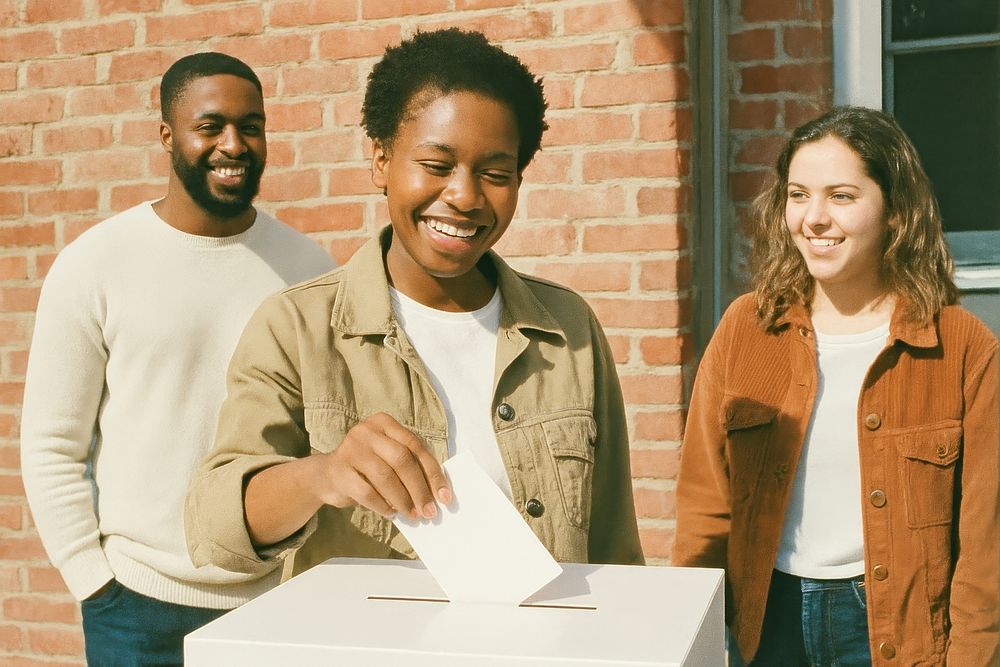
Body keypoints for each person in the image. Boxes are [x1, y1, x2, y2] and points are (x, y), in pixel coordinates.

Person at [185, 28, 643, 582]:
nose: (466, 195)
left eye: (496, 174)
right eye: (436, 164)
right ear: (381, 160)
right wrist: (322, 476)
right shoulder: (298, 328)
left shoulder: (567, 329)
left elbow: (615, 549)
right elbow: (214, 529)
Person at [20, 52, 335, 664]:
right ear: (167, 134)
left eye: (252, 126)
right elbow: (52, 444)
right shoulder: (96, 264)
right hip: (135, 607)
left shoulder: (308, 271)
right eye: (210, 126)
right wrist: (93, 581)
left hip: (275, 600)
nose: (234, 144)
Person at [673, 106, 998, 666]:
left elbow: (986, 544)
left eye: (842, 196)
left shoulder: (962, 347)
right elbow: (705, 507)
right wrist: (691, 637)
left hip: (896, 632)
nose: (814, 218)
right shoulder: (745, 330)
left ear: (895, 211)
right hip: (767, 621)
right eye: (798, 195)